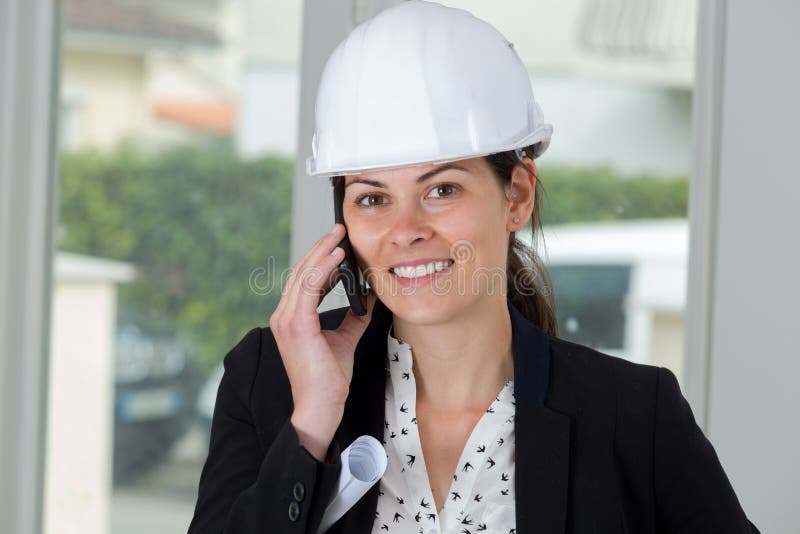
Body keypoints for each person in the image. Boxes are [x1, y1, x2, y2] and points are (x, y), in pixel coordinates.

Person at [188, 2, 759, 533]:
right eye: (372, 197)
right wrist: (310, 424)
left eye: (441, 189)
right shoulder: (267, 381)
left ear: (516, 196)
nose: (406, 229)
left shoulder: (634, 415)